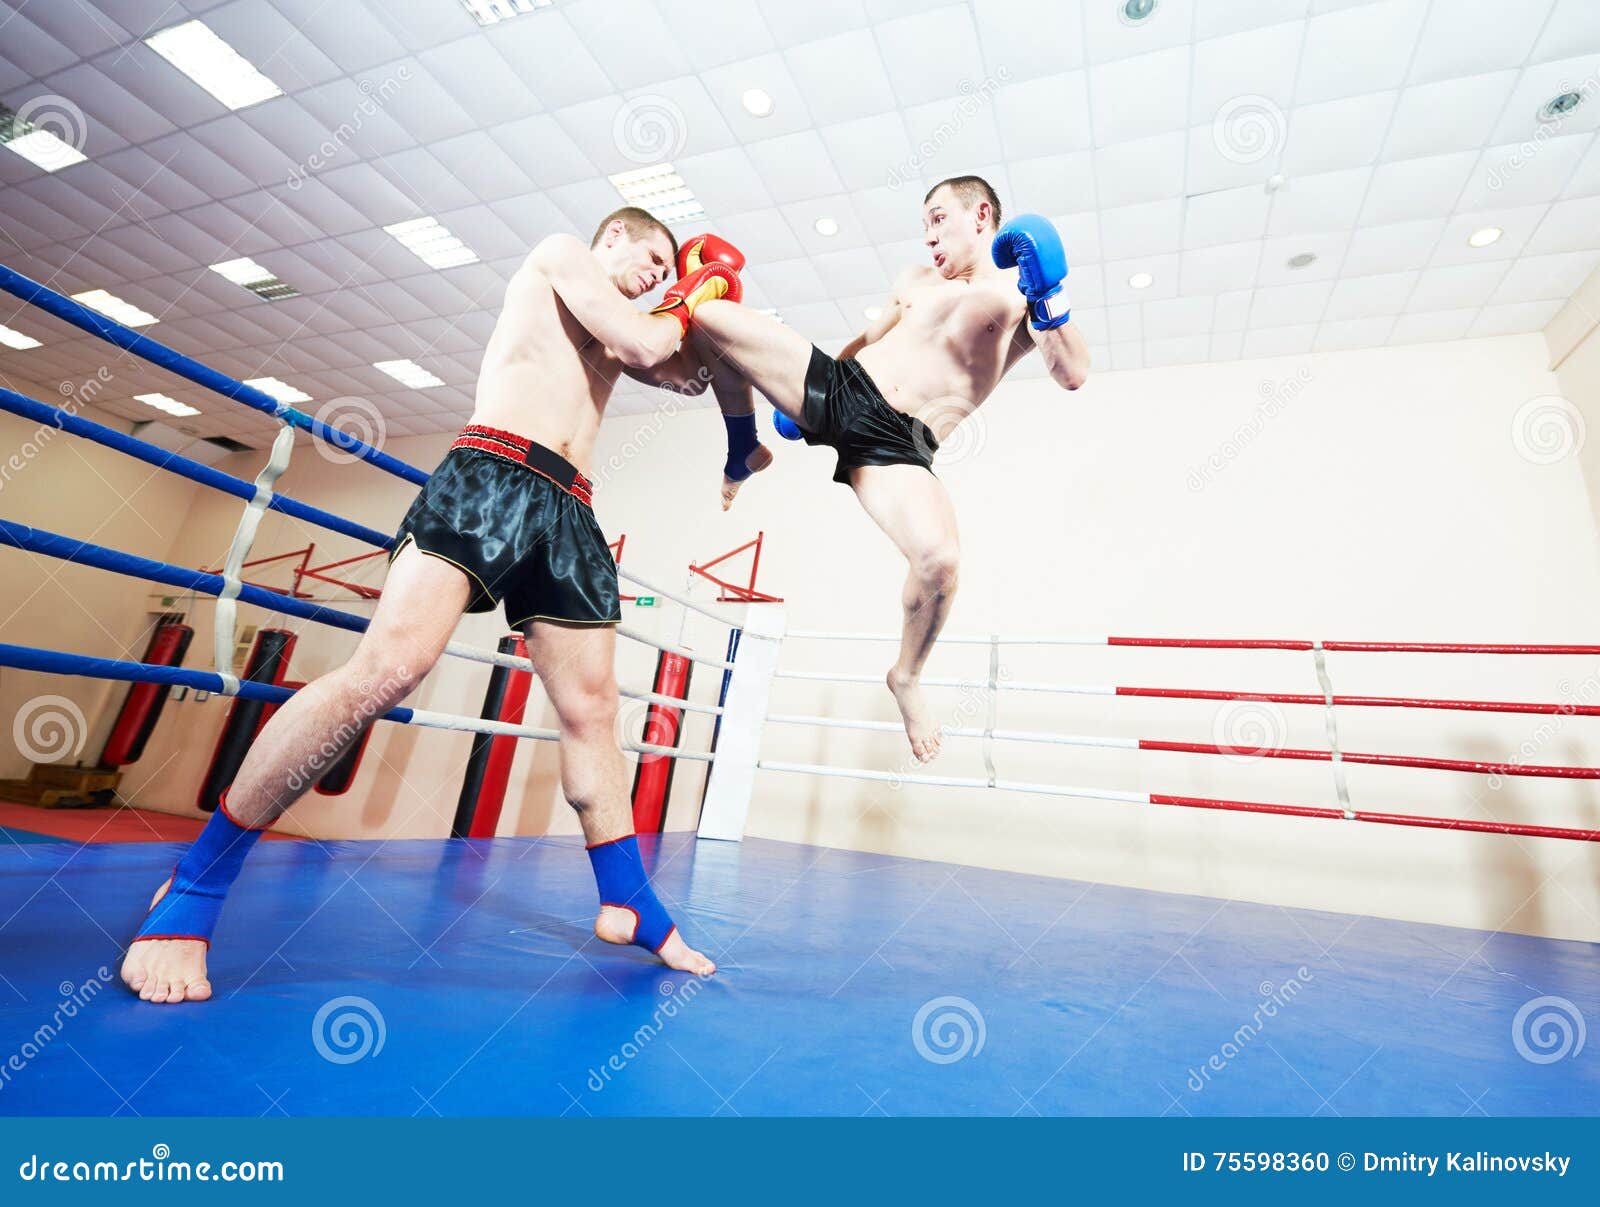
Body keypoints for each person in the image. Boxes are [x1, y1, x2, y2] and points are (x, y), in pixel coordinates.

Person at [120, 208, 742, 1003]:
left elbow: (682, 368)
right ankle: (195, 884)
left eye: (668, 267)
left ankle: (627, 898)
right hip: (491, 473)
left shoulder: (625, 318)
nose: (658, 272)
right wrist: (697, 285)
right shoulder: (561, 257)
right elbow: (648, 343)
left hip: (569, 508)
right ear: (610, 240)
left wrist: (737, 433)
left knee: (592, 710)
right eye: (650, 256)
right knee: (388, 669)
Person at [691, 176, 1091, 762]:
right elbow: (868, 338)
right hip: (839, 387)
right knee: (709, 317)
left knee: (940, 562)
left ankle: (906, 675)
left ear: (981, 215)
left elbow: (1073, 371)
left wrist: (1049, 289)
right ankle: (741, 450)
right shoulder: (914, 280)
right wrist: (805, 409)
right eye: (923, 225)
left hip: (898, 443)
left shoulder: (1017, 302)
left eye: (937, 219)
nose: (928, 237)